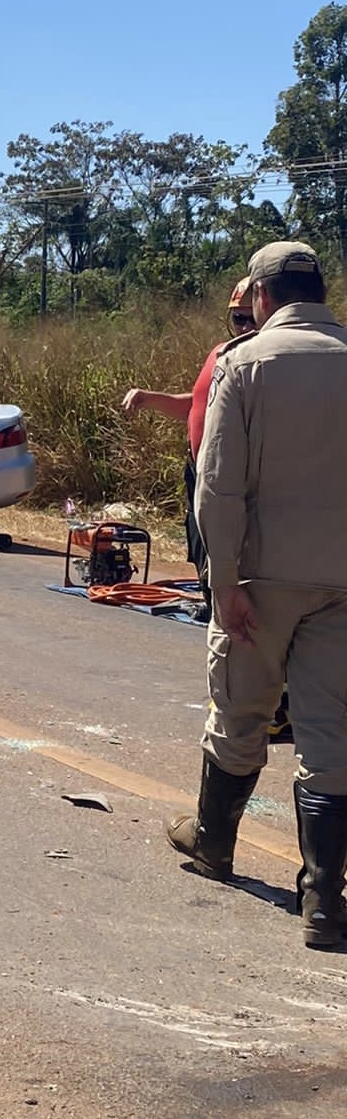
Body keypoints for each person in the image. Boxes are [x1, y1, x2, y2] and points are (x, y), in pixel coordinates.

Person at [172, 240, 347, 949]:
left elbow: (218, 484)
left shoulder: (244, 365)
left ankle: (214, 842)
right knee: (331, 732)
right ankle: (325, 902)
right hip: (342, 582)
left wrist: (224, 580)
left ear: (264, 298)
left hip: (261, 577)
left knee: (240, 708)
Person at [122, 276, 256, 610]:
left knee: (223, 550)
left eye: (251, 316)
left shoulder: (262, 363)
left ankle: (222, 611)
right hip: (199, 470)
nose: (244, 325)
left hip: (229, 477)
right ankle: (211, 602)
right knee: (199, 540)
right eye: (237, 318)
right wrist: (150, 398)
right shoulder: (221, 353)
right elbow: (195, 406)